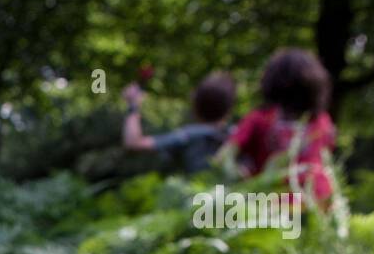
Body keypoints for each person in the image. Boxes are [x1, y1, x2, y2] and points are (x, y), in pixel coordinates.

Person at [224, 48, 336, 202]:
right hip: (319, 203)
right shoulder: (322, 120)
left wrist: (240, 178)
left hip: (273, 207)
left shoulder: (259, 119)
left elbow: (224, 157)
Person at [121, 72, 236, 173]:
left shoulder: (188, 136)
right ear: (229, 108)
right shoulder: (237, 135)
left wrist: (133, 106)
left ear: (196, 106)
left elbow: (134, 143)